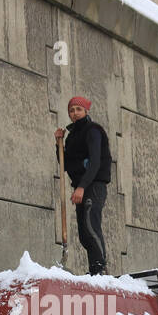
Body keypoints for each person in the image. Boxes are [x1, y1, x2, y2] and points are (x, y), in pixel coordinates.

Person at [54, 96, 110, 275]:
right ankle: (94, 270)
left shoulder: (93, 130)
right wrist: (59, 145)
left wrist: (82, 187)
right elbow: (65, 165)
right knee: (84, 233)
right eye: (71, 110)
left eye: (79, 109)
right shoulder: (71, 137)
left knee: (91, 225)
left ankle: (99, 269)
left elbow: (94, 162)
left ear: (86, 111)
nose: (75, 113)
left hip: (93, 184)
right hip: (81, 186)